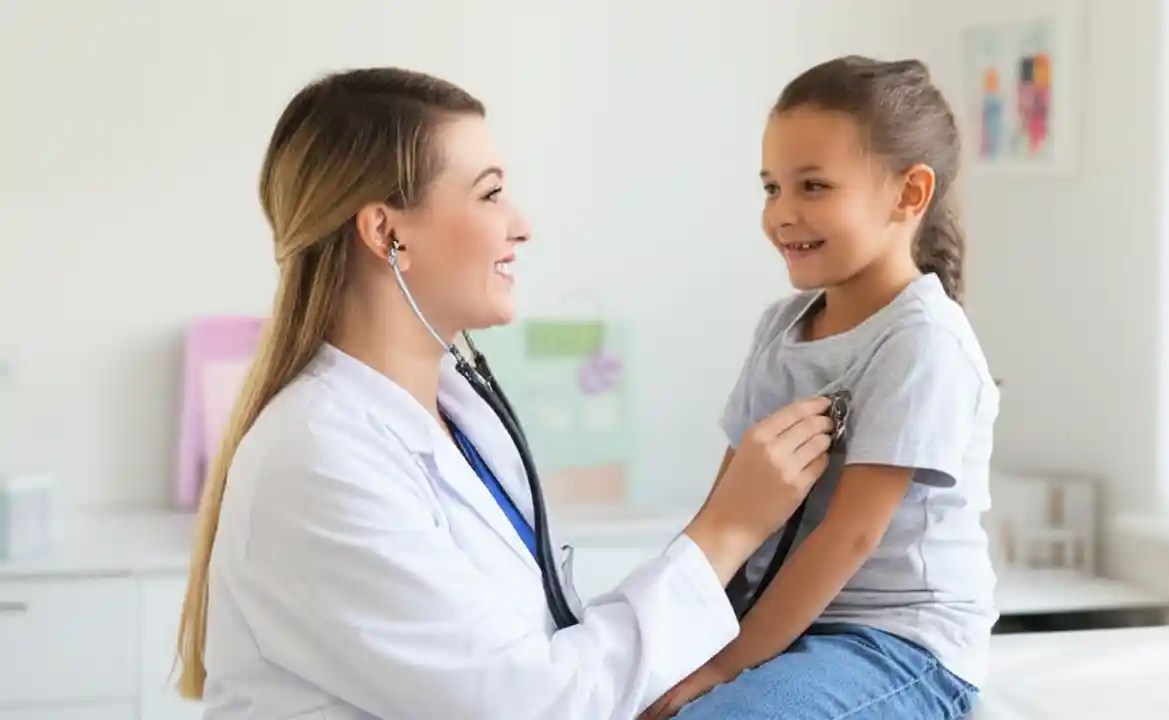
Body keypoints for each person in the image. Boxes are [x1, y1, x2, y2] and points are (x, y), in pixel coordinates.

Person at [173, 68, 837, 720]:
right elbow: (530, 703)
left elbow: (543, 648)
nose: (520, 227)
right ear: (387, 234)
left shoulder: (458, 417)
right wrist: (727, 531)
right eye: (490, 195)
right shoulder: (317, 458)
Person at [644, 56, 1000, 720]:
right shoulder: (781, 329)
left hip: (896, 646)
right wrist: (664, 638)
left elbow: (848, 539)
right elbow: (727, 511)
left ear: (909, 194)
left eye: (813, 187)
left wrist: (723, 666)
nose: (782, 214)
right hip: (776, 626)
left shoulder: (921, 342)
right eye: (770, 187)